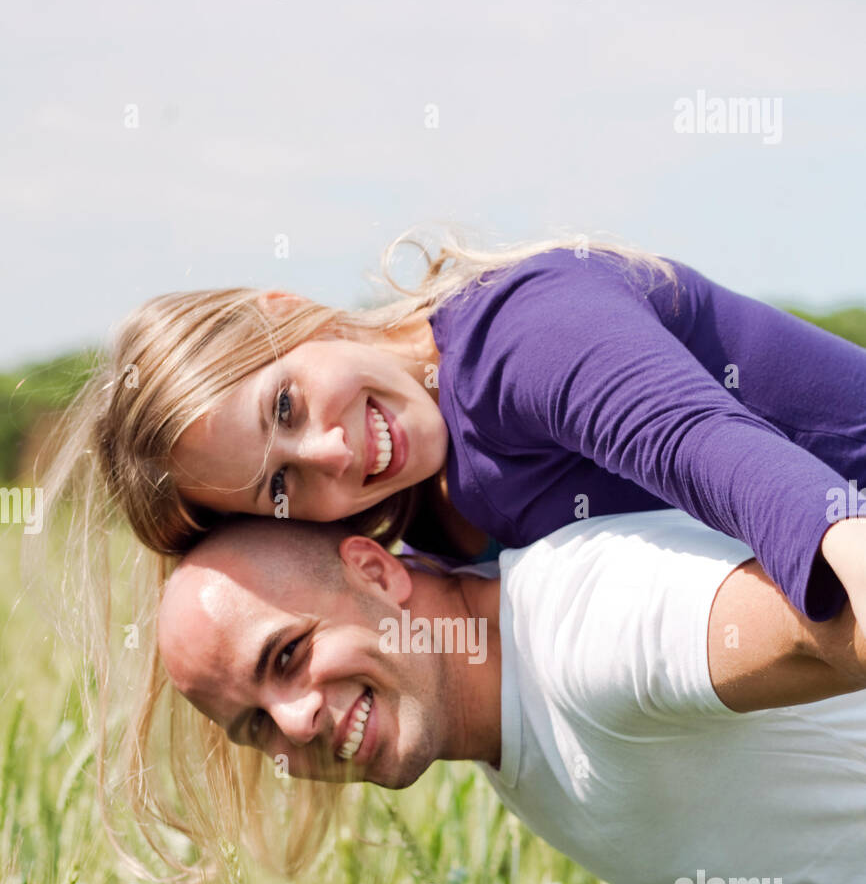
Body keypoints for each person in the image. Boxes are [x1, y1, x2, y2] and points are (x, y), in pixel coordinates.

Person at [154, 507, 866, 884]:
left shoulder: (579, 628)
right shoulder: (498, 706)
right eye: (256, 726)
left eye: (288, 654)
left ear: (374, 570)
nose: (296, 722)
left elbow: (841, 620)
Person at [49, 230, 866, 629]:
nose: (333, 454)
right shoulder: (430, 533)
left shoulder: (521, 334)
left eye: (286, 407)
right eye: (280, 485)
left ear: (286, 313)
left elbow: (722, 459)